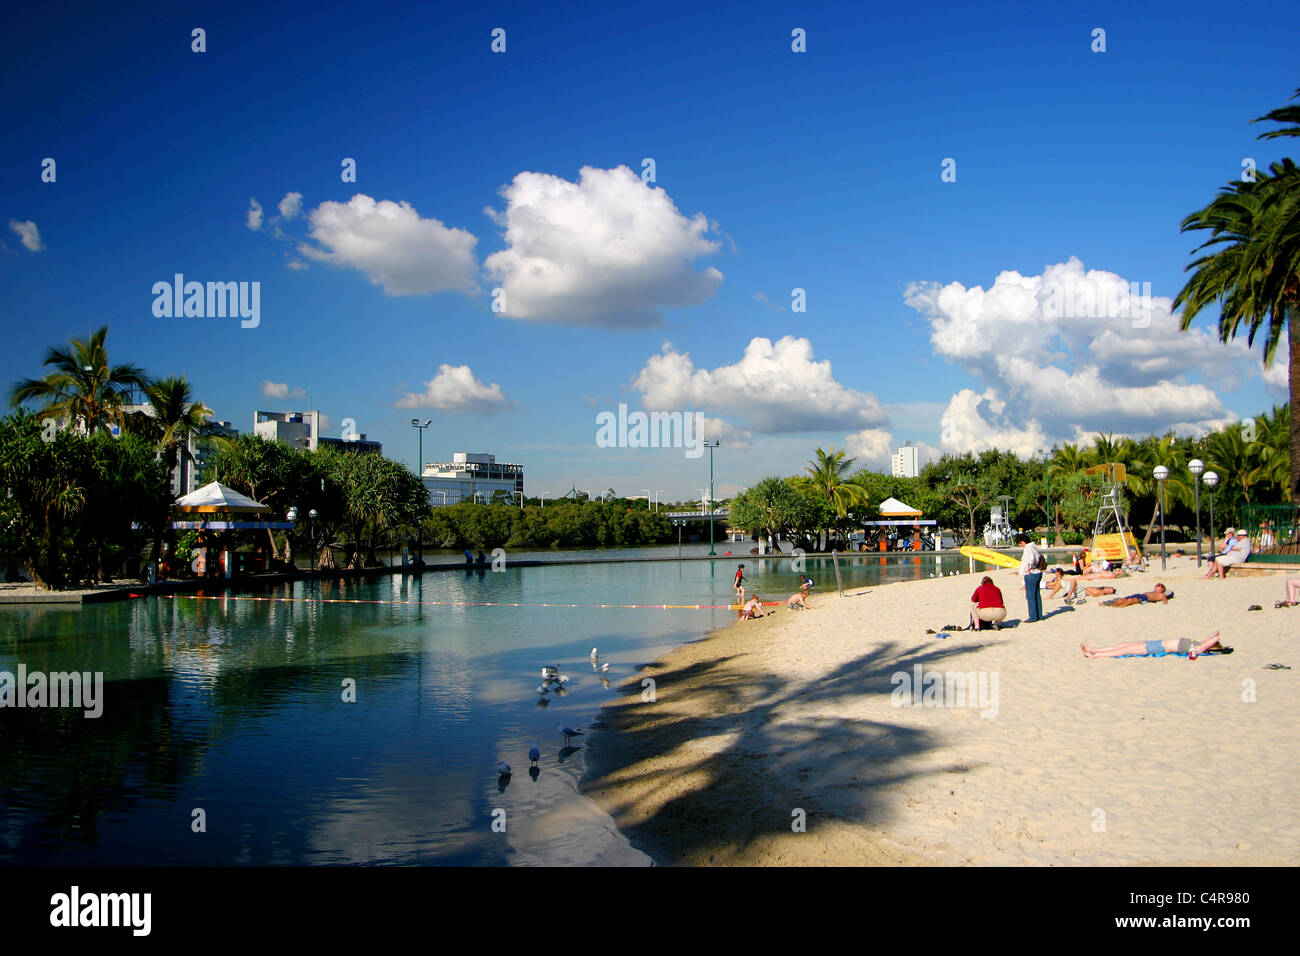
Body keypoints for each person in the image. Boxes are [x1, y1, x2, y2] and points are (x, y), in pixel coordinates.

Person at [1081, 631, 1224, 659]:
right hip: (1157, 642)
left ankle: (1096, 655)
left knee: (1124, 650)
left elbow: (1215, 637)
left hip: (1159, 648)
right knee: (1123, 644)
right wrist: (1214, 641)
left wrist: (1218, 646)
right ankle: (1094, 650)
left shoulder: (1197, 649)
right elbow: (1212, 635)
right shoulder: (1198, 643)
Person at [1014, 533, 1044, 623]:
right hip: (1038, 573)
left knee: (1030, 596)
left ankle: (1033, 617)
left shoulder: (1028, 548)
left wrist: (1029, 568)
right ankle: (1039, 615)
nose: (1020, 546)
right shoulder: (1034, 546)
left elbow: (1031, 559)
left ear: (1022, 542)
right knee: (1037, 594)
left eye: (1020, 543)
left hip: (1031, 573)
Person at [1102, 583, 1171, 607]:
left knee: (1129, 601)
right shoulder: (1153, 591)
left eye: (1160, 585)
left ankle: (1112, 605)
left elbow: (1165, 601)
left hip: (1145, 598)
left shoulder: (1161, 595)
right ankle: (1110, 603)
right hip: (1140, 595)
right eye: (1157, 585)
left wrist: (1164, 601)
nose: (1158, 585)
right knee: (1123, 599)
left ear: (1162, 589)